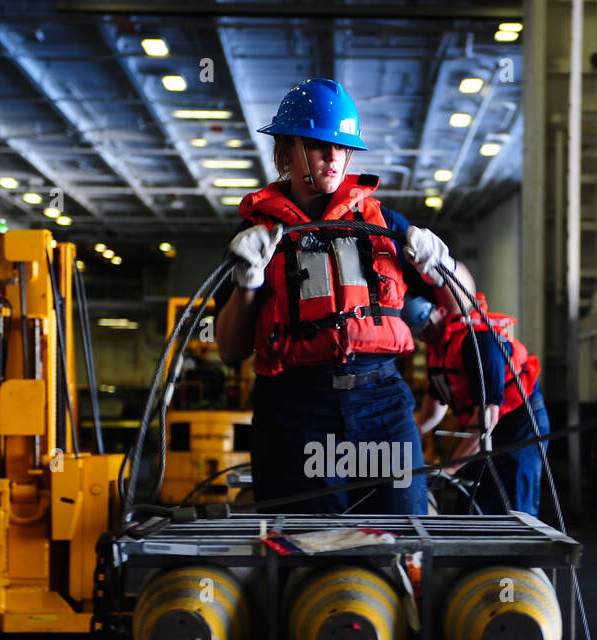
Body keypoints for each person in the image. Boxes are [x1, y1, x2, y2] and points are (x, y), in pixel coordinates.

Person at [214, 78, 474, 514]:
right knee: (303, 540)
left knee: (401, 532)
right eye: (318, 145)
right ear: (286, 151)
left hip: (381, 403)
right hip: (295, 409)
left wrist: (442, 265)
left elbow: (464, 305)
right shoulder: (256, 238)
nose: (333, 157)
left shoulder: (384, 223)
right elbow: (229, 349)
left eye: (342, 146)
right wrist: (247, 284)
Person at [404, 292, 549, 516]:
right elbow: (436, 401)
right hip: (483, 422)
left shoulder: (479, 342)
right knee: (475, 498)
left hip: (519, 424)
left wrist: (449, 469)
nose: (423, 337)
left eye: (425, 329)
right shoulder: (439, 349)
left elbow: (487, 414)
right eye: (419, 333)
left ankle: (513, 539)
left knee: (513, 503)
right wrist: (416, 432)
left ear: (440, 312)